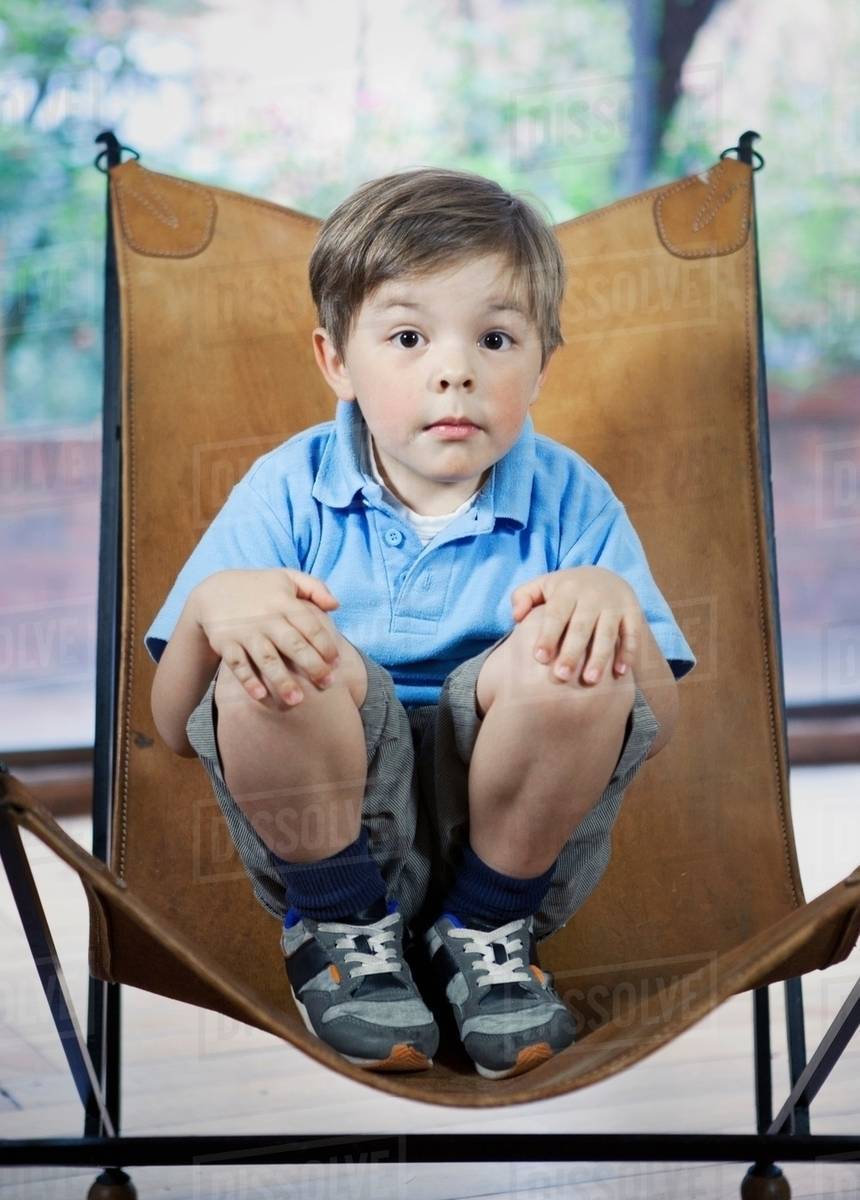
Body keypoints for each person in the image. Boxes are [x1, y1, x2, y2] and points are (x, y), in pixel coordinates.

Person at [146, 166, 696, 1082]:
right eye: (408, 336)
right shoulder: (289, 489)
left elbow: (659, 727)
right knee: (284, 648)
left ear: (542, 363)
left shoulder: (570, 500)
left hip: (516, 845)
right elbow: (169, 727)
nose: (456, 368)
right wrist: (212, 607)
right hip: (326, 838)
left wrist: (618, 616)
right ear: (336, 361)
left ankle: (482, 935)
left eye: (495, 338)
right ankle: (344, 933)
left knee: (576, 651)